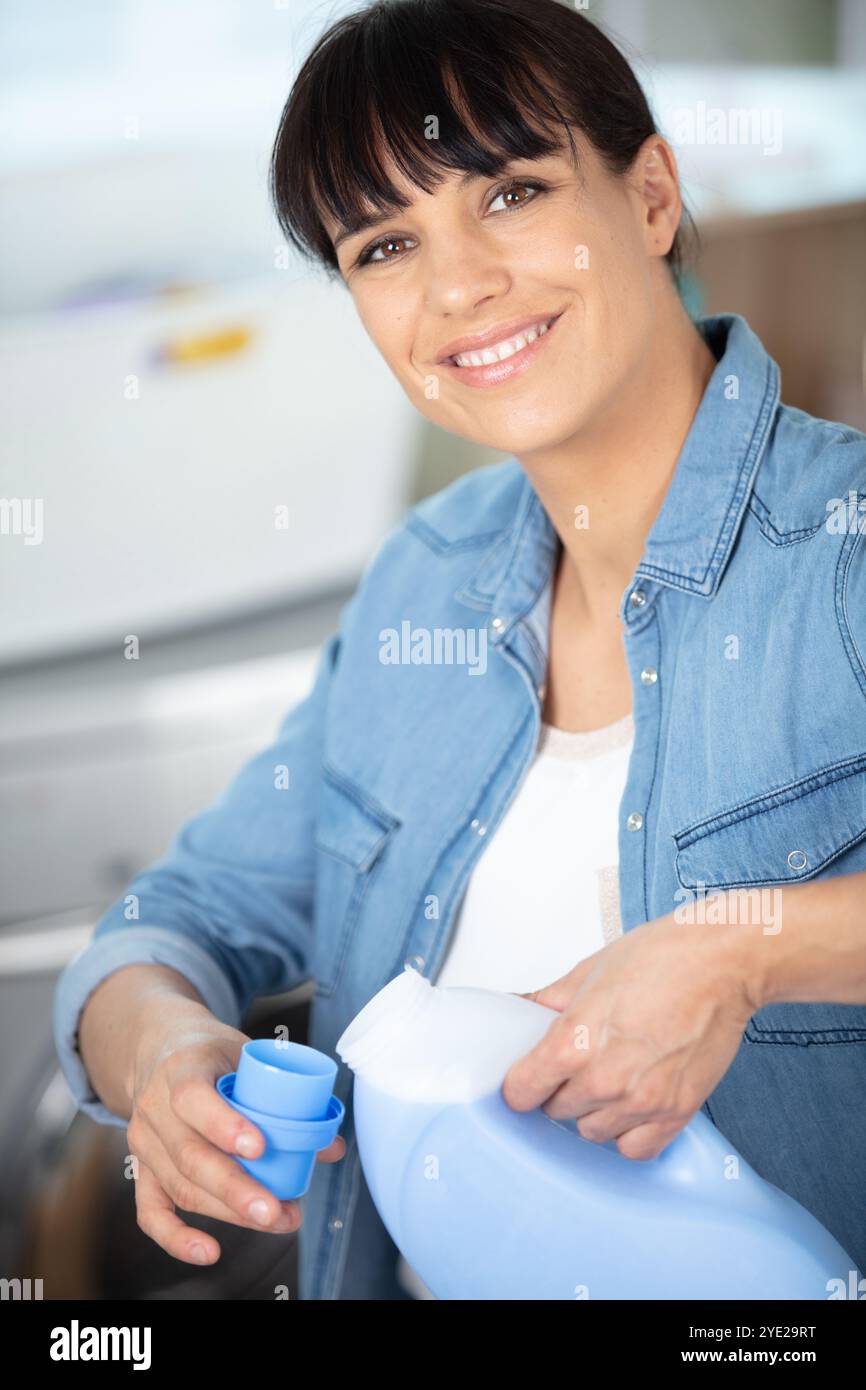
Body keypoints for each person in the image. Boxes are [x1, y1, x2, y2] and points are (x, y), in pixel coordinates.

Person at [54, 0, 866, 1301]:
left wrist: (744, 950)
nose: (455, 286)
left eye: (510, 193)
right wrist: (155, 1051)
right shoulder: (417, 589)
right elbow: (180, 919)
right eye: (384, 245)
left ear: (650, 196)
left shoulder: (843, 550)